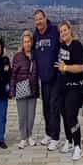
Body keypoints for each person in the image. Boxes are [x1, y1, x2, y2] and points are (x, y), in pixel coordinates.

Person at [54, 21, 83, 161]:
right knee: (64, 114)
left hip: (75, 86)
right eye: (61, 31)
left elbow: (80, 67)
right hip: (63, 86)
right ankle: (69, 140)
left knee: (71, 115)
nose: (63, 33)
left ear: (70, 30)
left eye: (65, 30)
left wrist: (65, 68)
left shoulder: (77, 46)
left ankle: (78, 146)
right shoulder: (61, 47)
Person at [33, 9, 63, 151]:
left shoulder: (54, 31)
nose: (38, 21)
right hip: (43, 79)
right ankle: (48, 134)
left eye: (40, 18)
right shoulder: (35, 35)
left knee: (54, 107)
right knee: (46, 108)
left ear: (45, 18)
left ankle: (56, 138)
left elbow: (64, 45)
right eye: (36, 19)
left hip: (56, 78)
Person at [10, 30, 39, 149]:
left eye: (29, 41)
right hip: (21, 89)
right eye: (25, 42)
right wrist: (12, 91)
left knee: (31, 115)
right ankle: (23, 137)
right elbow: (13, 75)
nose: (27, 44)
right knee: (22, 115)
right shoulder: (18, 57)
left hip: (32, 88)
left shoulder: (36, 56)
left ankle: (29, 135)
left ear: (31, 42)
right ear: (22, 43)